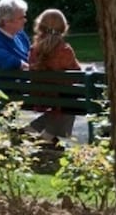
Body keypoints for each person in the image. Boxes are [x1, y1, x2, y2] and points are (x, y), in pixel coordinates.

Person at [26, 8, 82, 142]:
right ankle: (48, 135)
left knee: (67, 102)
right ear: (63, 27)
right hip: (60, 96)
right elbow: (77, 73)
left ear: (40, 26)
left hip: (40, 95)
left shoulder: (34, 49)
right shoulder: (64, 50)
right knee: (74, 101)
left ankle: (32, 128)